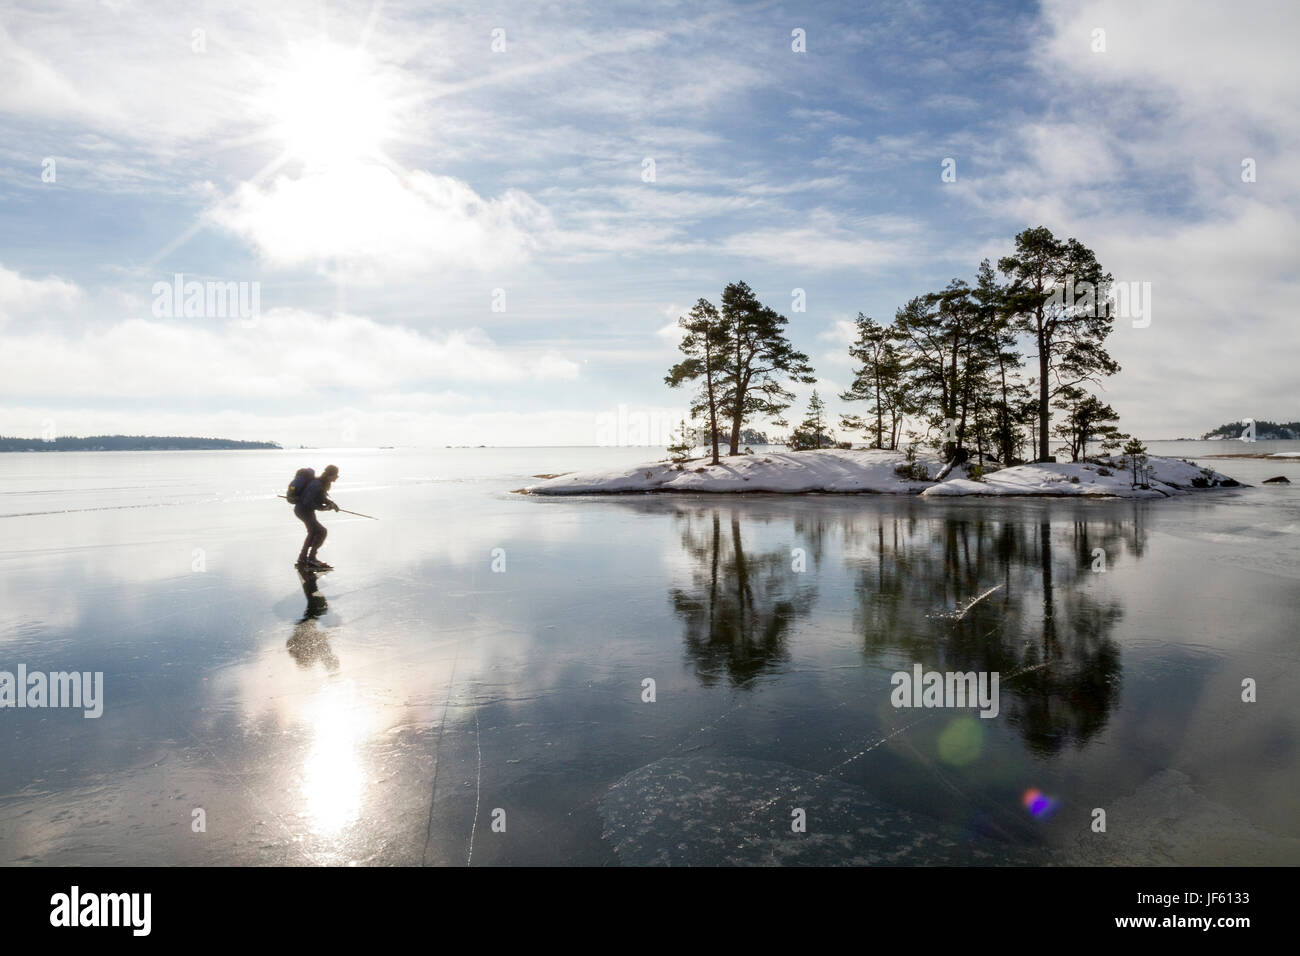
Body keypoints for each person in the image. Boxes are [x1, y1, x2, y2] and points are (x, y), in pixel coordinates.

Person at [295, 464, 340, 569]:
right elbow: (308, 502)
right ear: (330, 475)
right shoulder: (317, 485)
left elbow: (321, 498)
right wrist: (324, 508)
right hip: (303, 510)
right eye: (336, 475)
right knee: (321, 531)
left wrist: (332, 504)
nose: (337, 477)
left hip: (304, 510)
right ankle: (311, 559)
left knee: (313, 531)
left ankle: (303, 558)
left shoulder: (322, 483)